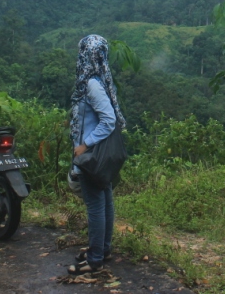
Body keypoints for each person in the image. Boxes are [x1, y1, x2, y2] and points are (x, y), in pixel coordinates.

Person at [67, 34, 127, 274]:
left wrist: (85, 144)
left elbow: (108, 120)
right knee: (105, 202)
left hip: (92, 157)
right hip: (101, 156)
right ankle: (103, 250)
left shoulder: (91, 84)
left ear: (85, 55)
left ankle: (94, 259)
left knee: (95, 206)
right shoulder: (100, 80)